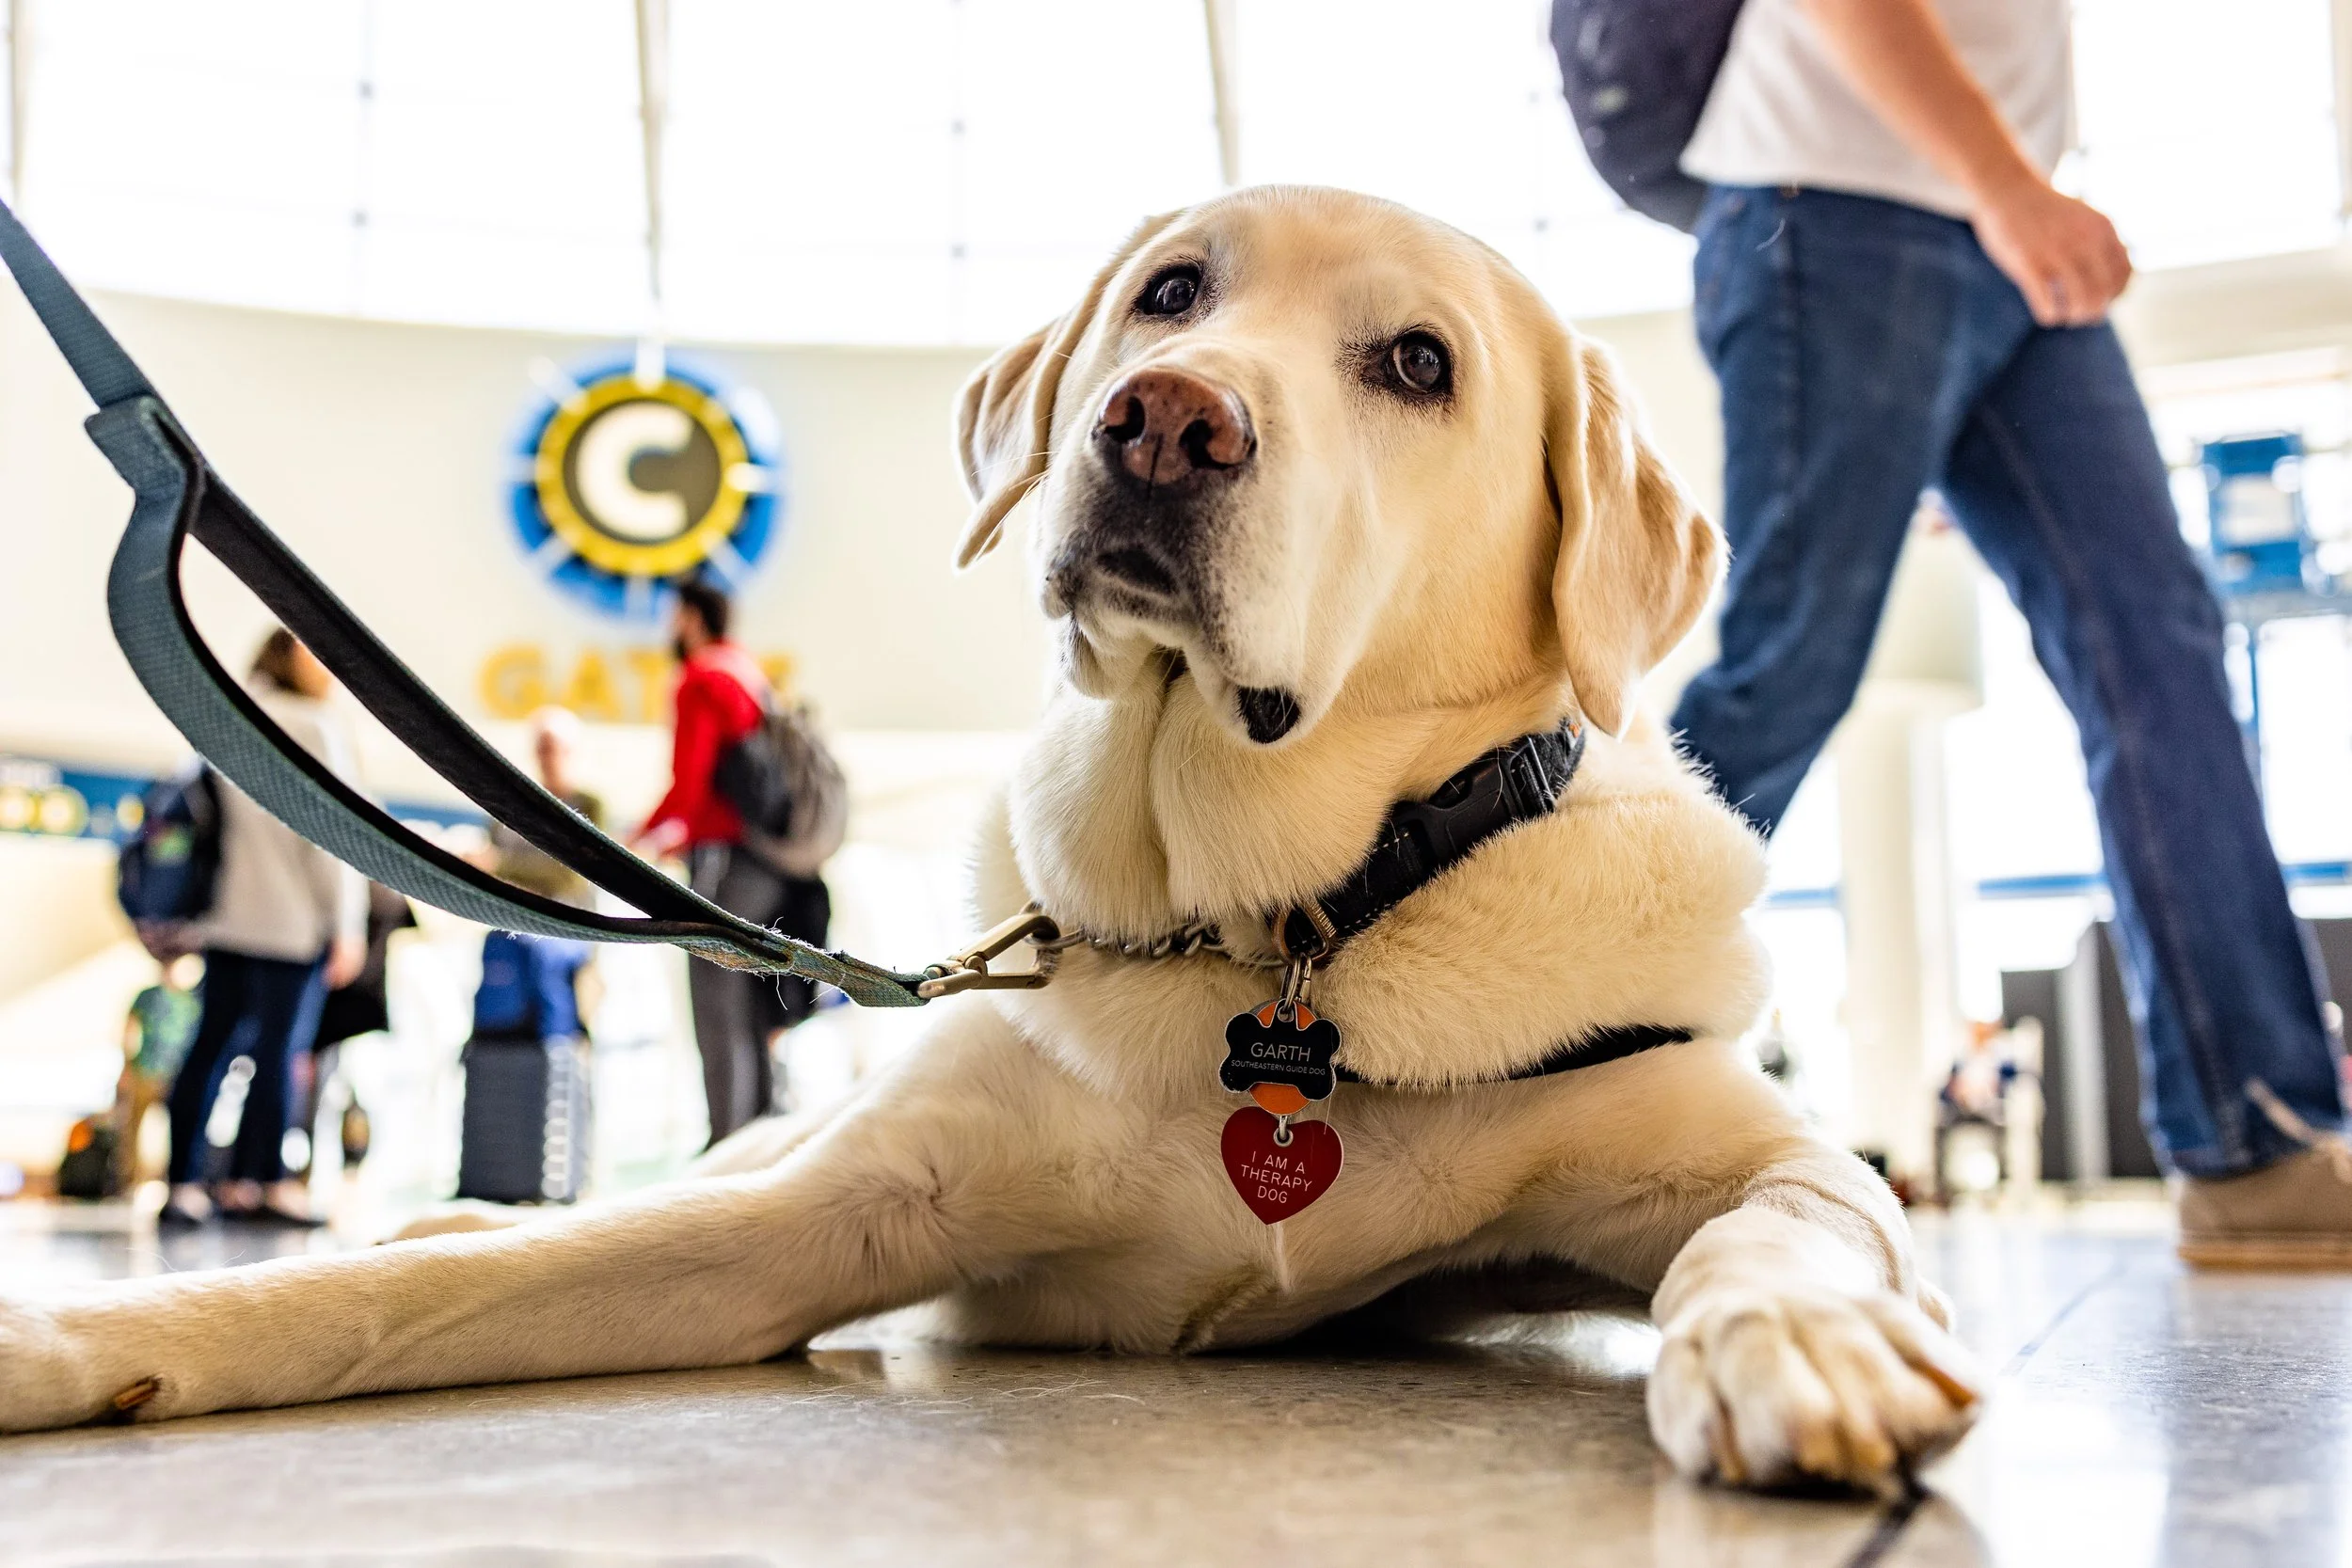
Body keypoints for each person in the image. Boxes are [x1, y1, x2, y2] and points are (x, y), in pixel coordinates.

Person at [1661, 0, 2350, 1258]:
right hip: (1841, 197)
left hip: (2001, 231)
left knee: (2157, 641)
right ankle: (1526, 1048)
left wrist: (2008, 197)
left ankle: (2254, 1140)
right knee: (1790, 662)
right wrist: (2008, 188)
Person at [159, 629, 365, 1228]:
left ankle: (184, 1185)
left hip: (224, 920)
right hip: (290, 924)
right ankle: (262, 1184)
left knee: (208, 1049)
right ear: (296, 654)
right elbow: (333, 837)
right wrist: (346, 924)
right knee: (279, 1055)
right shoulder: (313, 726)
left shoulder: (226, 714)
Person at [630, 579, 825, 1146]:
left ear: (692, 618)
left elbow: (689, 786)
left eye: (674, 615)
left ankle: (726, 1140)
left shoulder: (699, 677)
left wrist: (641, 836)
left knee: (714, 996)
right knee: (751, 998)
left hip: (727, 860)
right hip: (773, 861)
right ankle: (759, 1137)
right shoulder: (746, 669)